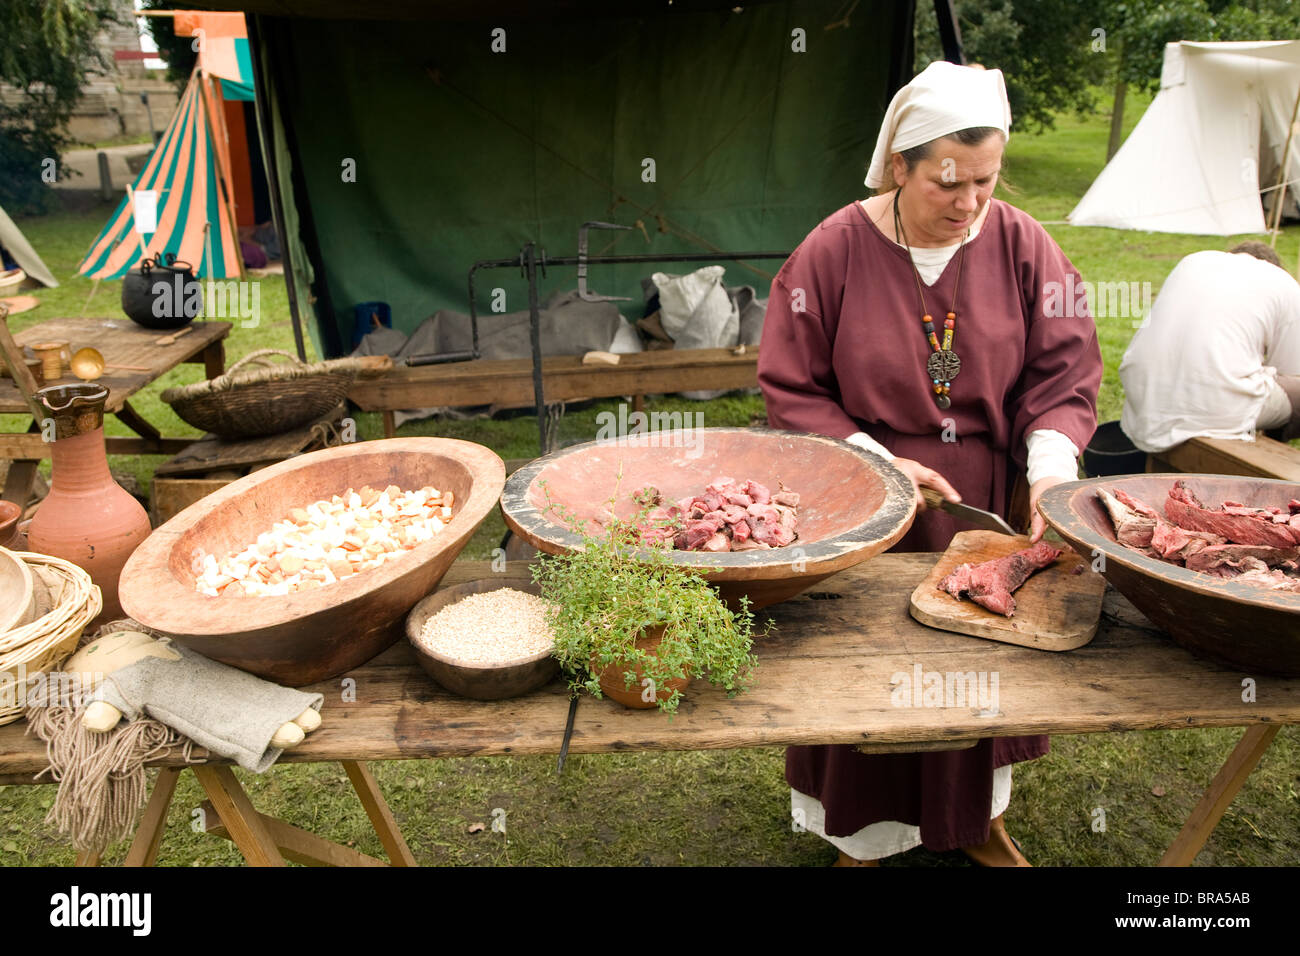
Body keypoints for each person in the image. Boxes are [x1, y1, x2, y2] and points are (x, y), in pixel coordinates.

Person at [757, 61, 1102, 866]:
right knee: (867, 664)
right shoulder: (832, 251)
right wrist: (878, 465)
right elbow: (792, 387)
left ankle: (976, 821)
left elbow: (1064, 371)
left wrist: (1050, 474)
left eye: (986, 180)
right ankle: (864, 834)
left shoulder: (1021, 243)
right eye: (949, 183)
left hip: (981, 503)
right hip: (864, 506)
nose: (970, 203)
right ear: (899, 166)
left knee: (976, 661)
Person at [1120, 242, 1300, 452]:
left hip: (1142, 394)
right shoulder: (1283, 284)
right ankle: (1275, 458)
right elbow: (1291, 373)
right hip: (1214, 405)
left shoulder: (1194, 260)